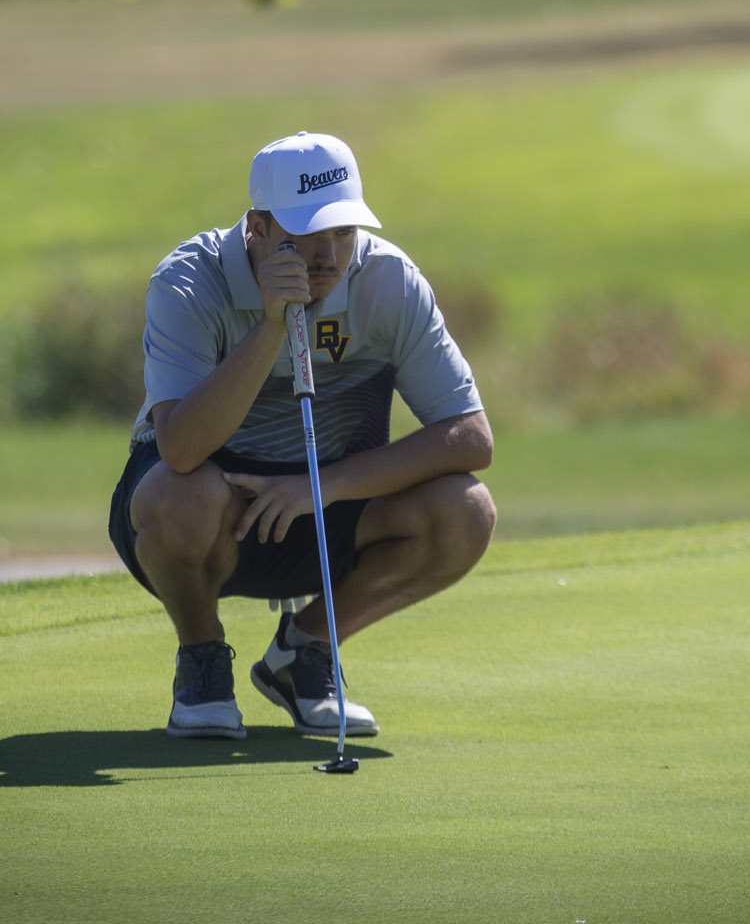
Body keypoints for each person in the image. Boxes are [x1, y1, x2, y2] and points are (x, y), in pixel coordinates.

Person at [108, 131, 496, 740]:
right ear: (257, 227)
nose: (328, 255)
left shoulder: (389, 280)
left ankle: (305, 650)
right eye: (304, 235)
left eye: (342, 232)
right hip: (207, 508)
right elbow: (180, 448)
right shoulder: (189, 280)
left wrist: (322, 487)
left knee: (467, 511)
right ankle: (203, 659)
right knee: (178, 495)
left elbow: (471, 438)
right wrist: (269, 328)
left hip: (326, 512)